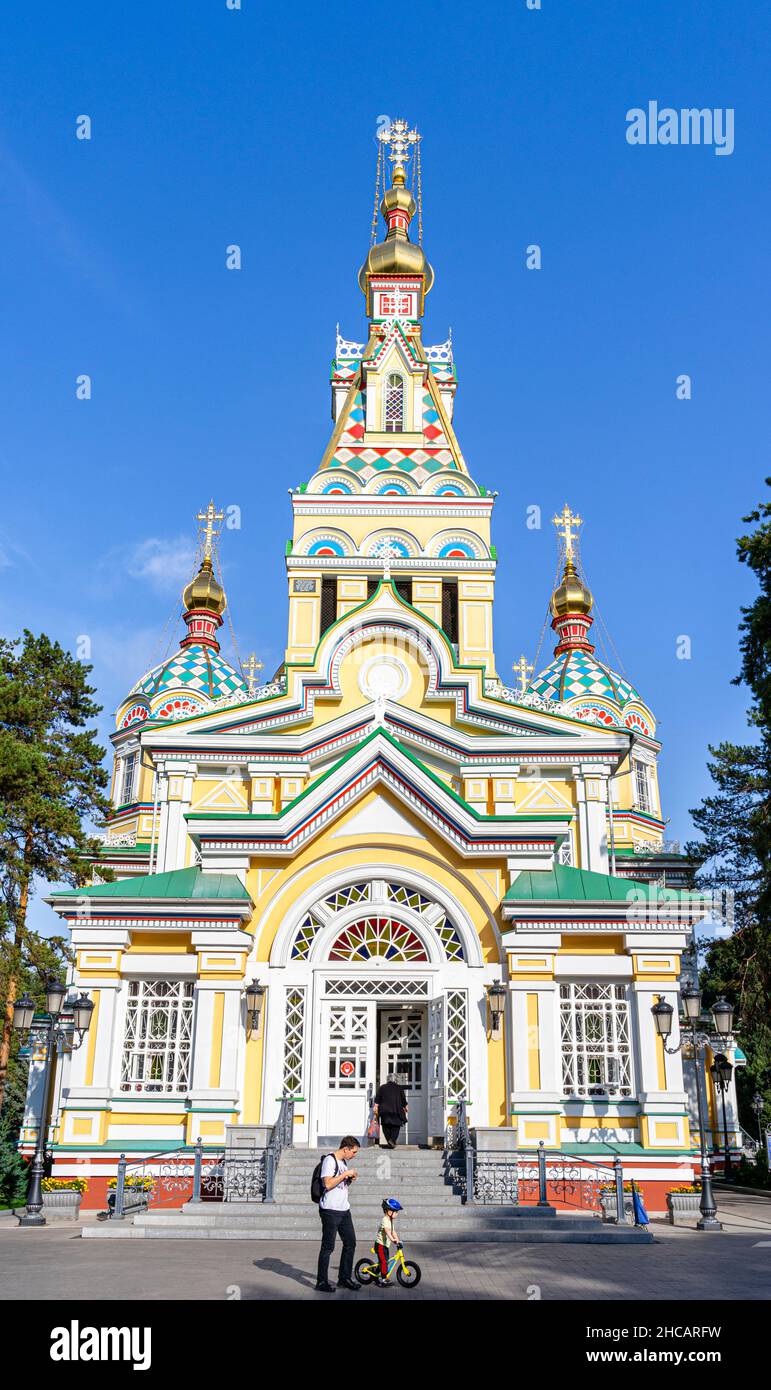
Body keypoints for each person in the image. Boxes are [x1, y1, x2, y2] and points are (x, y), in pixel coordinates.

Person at [316, 1136, 361, 1293]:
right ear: (346, 1148)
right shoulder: (330, 1160)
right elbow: (327, 1184)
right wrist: (344, 1174)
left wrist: (350, 1178)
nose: (354, 1155)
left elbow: (340, 1185)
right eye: (353, 1152)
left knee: (351, 1243)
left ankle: (344, 1278)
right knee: (328, 1247)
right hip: (330, 1210)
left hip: (344, 1210)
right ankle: (321, 1282)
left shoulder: (343, 1162)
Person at [373, 1074, 408, 1148]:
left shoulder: (382, 1087)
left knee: (386, 1126)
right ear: (395, 1080)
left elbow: (377, 1100)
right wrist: (406, 1107)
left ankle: (389, 1140)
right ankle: (392, 1140)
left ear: (387, 1079)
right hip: (396, 1110)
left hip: (384, 1111)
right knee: (396, 1127)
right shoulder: (399, 1088)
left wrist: (375, 1107)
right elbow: (403, 1100)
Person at [374, 1197, 402, 1287]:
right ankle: (383, 1279)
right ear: (389, 1211)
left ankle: (376, 1273)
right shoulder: (385, 1220)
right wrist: (392, 1239)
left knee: (384, 1261)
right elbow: (387, 1231)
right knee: (384, 1262)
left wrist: (397, 1239)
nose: (397, 1214)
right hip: (380, 1245)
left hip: (385, 1245)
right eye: (396, 1212)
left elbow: (393, 1231)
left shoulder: (390, 1220)